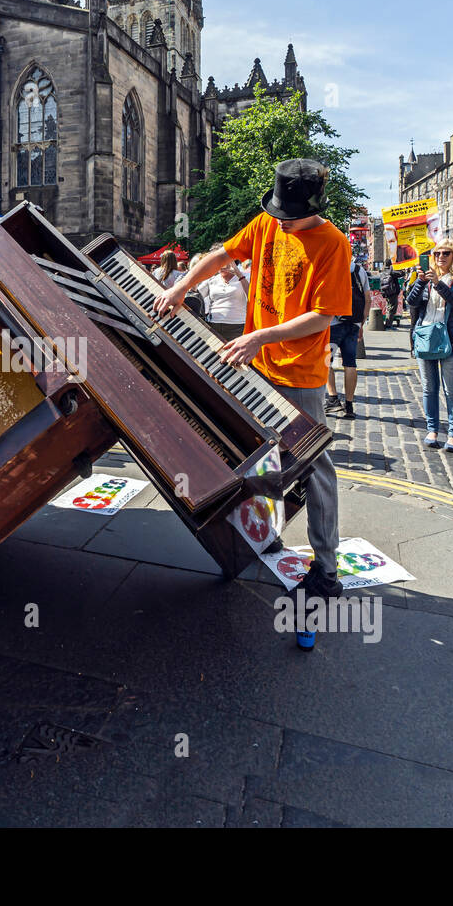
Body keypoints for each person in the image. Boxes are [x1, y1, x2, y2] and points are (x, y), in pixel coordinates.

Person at [155, 158, 351, 601]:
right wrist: (182, 285)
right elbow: (223, 254)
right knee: (259, 457)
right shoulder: (266, 223)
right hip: (259, 365)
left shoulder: (333, 243)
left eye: (289, 217)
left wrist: (260, 336)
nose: (281, 224)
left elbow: (323, 315)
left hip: (300, 373)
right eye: (278, 215)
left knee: (314, 465)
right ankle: (267, 535)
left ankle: (326, 571)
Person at [405, 240, 453, 453]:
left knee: (451, 390)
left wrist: (438, 284)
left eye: (446, 253)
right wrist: (419, 281)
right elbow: (411, 302)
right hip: (425, 335)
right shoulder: (425, 278)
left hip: (450, 339)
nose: (440, 257)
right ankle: (432, 429)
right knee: (429, 388)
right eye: (437, 254)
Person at [324, 254, 371, 419]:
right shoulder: (359, 270)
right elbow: (367, 299)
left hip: (333, 324)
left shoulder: (331, 267)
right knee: (350, 363)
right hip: (354, 323)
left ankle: (332, 399)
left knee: (325, 362)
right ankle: (349, 405)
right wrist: (361, 324)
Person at [196, 259, 249, 341]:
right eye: (218, 263)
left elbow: (252, 296)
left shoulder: (246, 276)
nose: (222, 266)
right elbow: (196, 295)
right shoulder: (212, 279)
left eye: (224, 262)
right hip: (213, 325)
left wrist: (238, 273)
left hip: (237, 327)